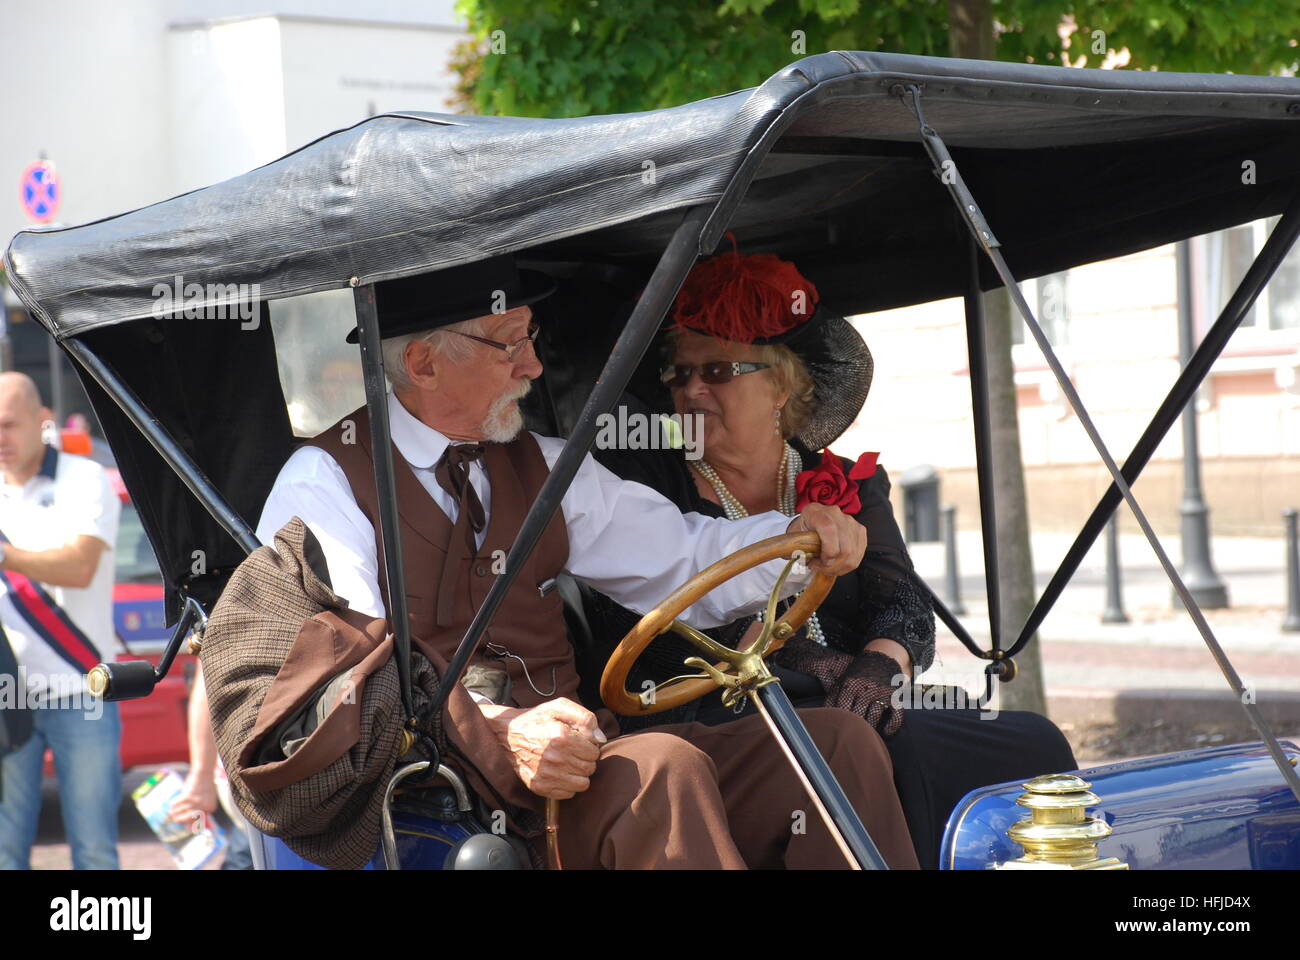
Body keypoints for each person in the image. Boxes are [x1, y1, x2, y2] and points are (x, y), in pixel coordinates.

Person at [254, 254, 919, 869]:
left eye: (531, 341)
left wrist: (799, 537)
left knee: (837, 743)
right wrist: (502, 731)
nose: (533, 367)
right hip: (444, 790)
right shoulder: (326, 480)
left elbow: (683, 558)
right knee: (661, 766)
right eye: (509, 344)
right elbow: (349, 672)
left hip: (580, 766)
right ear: (426, 364)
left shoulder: (541, 464)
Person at [581, 242, 1077, 869]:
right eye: (679, 374)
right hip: (717, 707)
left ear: (781, 385)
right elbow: (646, 621)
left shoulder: (847, 481)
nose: (691, 391)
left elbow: (902, 602)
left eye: (717, 372)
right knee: (890, 747)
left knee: (1031, 740)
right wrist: (821, 665)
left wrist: (875, 670)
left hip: (855, 699)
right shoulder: (643, 481)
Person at [0, 373, 122, 870]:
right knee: (6, 849)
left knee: (94, 849)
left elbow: (79, 567)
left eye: (8, 425)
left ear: (42, 420)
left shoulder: (86, 478)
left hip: (81, 689)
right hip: (8, 694)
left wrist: (6, 556)